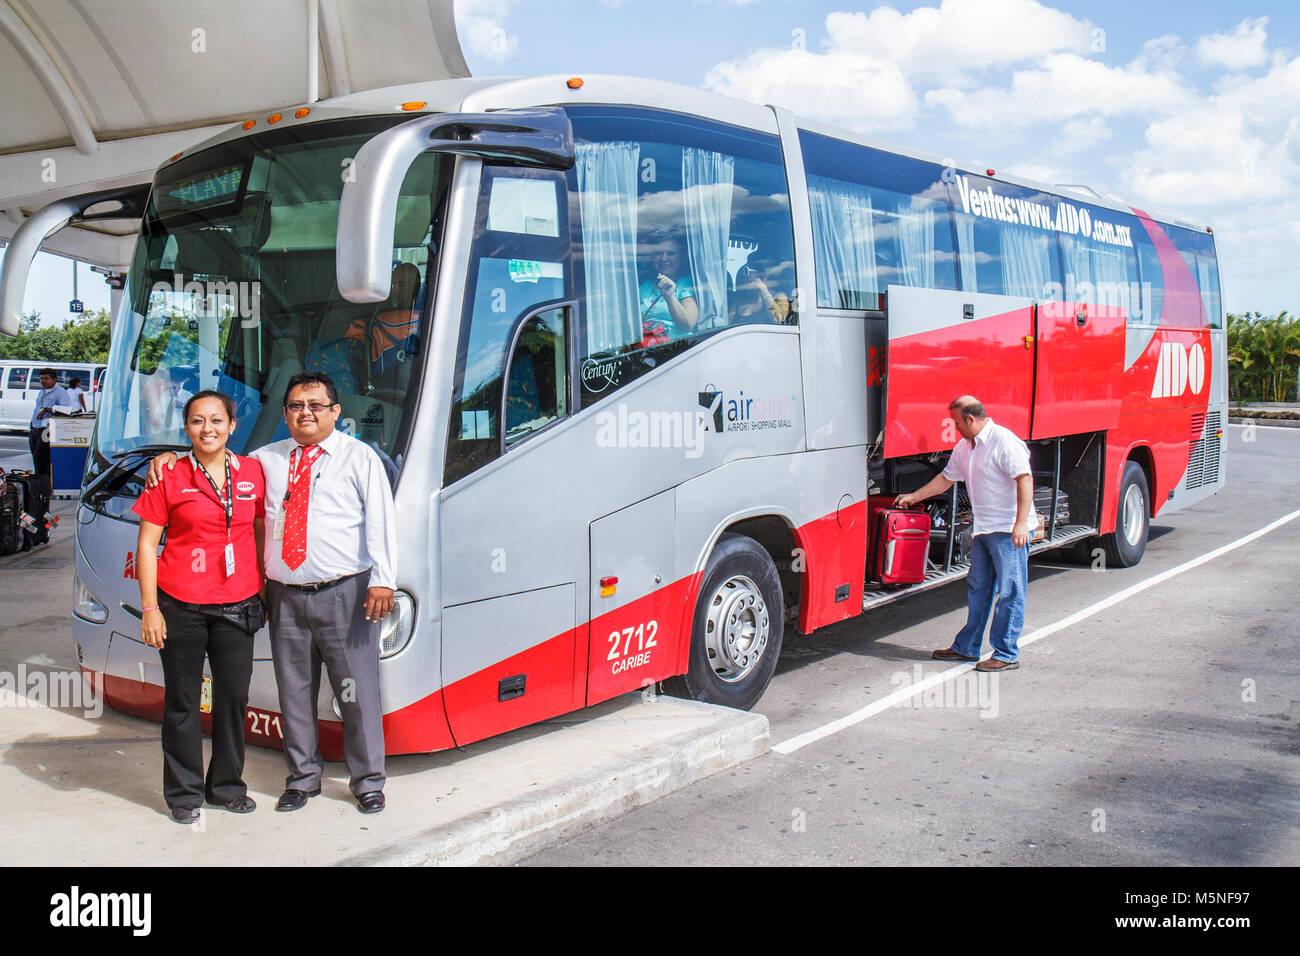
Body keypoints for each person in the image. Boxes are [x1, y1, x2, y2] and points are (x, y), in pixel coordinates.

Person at [148, 371, 396, 813]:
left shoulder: (359, 458)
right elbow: (213, 459)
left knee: (356, 689)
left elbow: (382, 521)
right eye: (297, 406)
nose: (306, 413)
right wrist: (170, 457)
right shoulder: (264, 460)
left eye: (316, 405)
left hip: (347, 591)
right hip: (283, 593)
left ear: (335, 412)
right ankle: (303, 778)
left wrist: (383, 579)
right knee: (293, 691)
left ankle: (367, 781)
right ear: (284, 414)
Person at [133, 390, 267, 823]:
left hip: (238, 606)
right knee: (183, 702)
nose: (206, 429)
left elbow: (262, 530)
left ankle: (226, 787)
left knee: (233, 699)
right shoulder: (168, 475)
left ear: (232, 425)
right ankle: (184, 794)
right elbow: (148, 543)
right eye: (196, 421)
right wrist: (150, 608)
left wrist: (261, 588)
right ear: (186, 427)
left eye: (215, 420)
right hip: (180, 606)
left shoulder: (252, 472)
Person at [896, 396, 1032, 672]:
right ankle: (967, 647)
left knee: (1010, 592)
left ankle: (1006, 653)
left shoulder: (1004, 441)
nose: (955, 428)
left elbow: (1024, 479)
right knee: (979, 589)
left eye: (957, 422)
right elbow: (945, 479)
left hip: (1007, 530)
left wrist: (1020, 524)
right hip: (982, 529)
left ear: (970, 419)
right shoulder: (964, 447)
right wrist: (914, 496)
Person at [639, 231, 699, 340]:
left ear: (681, 257)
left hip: (678, 351)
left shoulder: (686, 284)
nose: (663, 258)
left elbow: (688, 324)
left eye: (670, 253)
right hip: (646, 351)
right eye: (658, 253)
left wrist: (670, 296)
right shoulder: (644, 287)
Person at [27, 369, 68, 485]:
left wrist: (47, 410)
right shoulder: (42, 392)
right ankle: (39, 484)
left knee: (41, 457)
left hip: (48, 429)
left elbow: (65, 410)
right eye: (41, 379)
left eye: (46, 378)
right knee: (35, 456)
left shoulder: (60, 392)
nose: (43, 381)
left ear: (54, 379)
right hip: (35, 427)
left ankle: (44, 485)